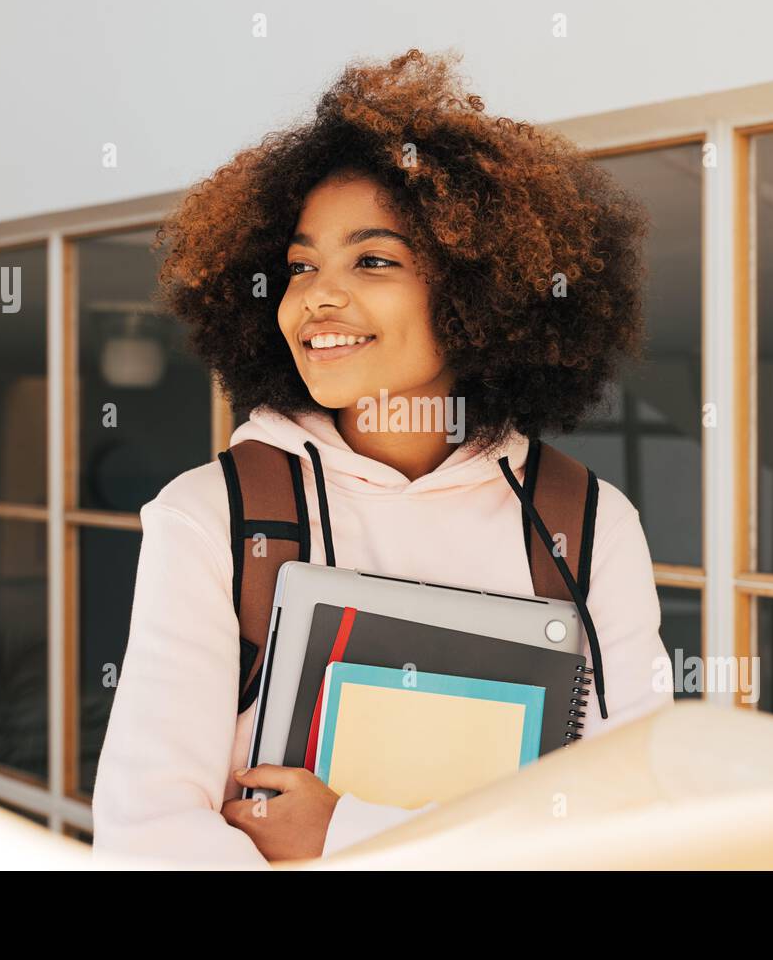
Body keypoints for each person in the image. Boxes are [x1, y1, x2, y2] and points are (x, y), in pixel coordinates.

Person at [91, 48, 672, 867]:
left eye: (373, 260)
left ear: (478, 293)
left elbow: (635, 822)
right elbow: (148, 838)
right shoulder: (213, 516)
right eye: (300, 265)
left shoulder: (584, 522)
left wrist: (341, 833)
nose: (318, 297)